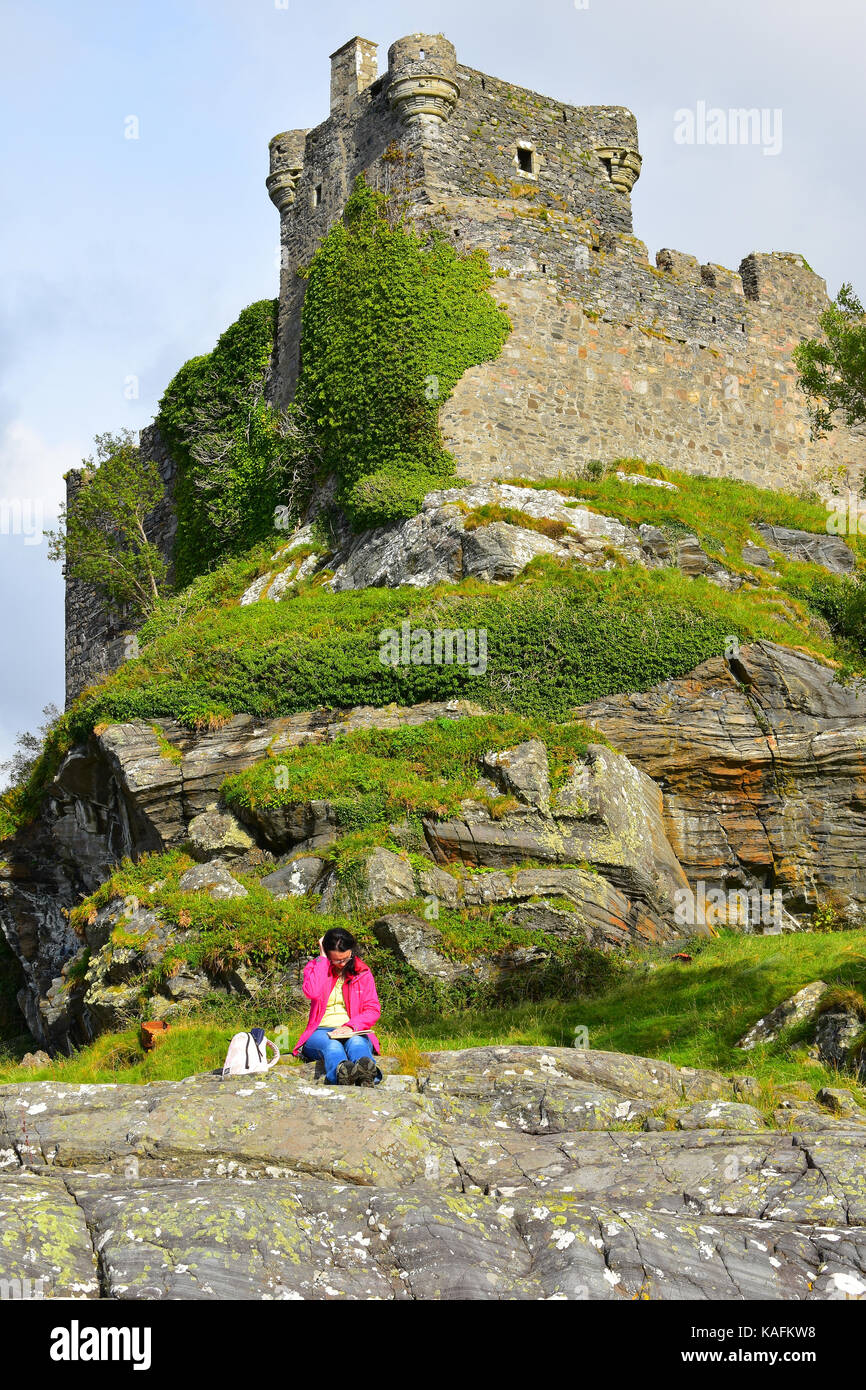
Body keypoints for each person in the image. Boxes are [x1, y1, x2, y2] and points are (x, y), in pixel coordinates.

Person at [293, 928, 383, 1085]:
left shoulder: (362, 973)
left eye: (346, 959)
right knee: (332, 1046)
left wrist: (351, 1026)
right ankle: (341, 1074)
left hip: (353, 1029)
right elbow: (312, 992)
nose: (342, 964)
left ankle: (367, 1075)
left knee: (357, 1043)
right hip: (321, 1031)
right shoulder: (315, 967)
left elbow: (372, 1009)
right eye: (337, 960)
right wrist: (322, 959)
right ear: (327, 954)